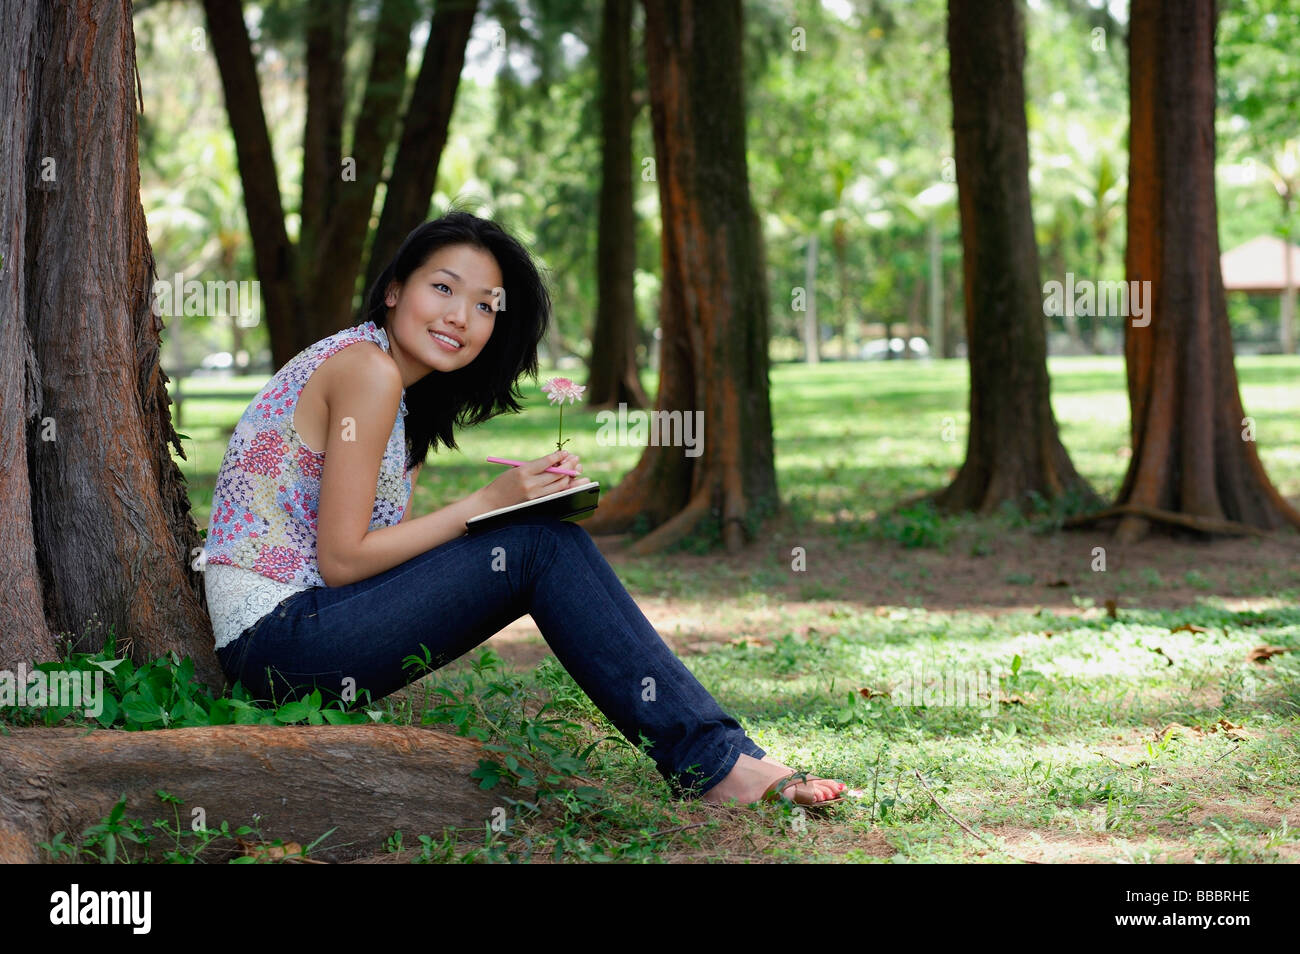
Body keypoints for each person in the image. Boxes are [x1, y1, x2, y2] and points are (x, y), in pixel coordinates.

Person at [202, 209, 846, 810]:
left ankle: (716, 758)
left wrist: (506, 513)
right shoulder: (367, 371)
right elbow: (343, 563)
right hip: (276, 643)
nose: (462, 317)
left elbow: (377, 564)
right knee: (541, 546)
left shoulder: (397, 398)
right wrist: (486, 506)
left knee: (535, 537)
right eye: (445, 289)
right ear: (395, 289)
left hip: (300, 632)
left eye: (486, 306)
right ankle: (715, 764)